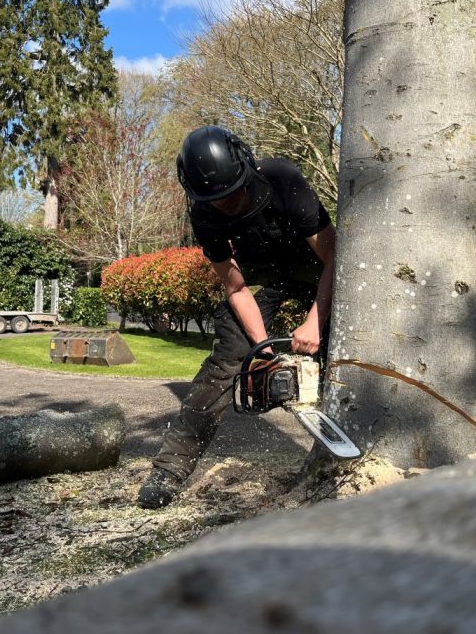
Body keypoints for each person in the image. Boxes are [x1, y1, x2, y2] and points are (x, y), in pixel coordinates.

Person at [137, 126, 336, 509]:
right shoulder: (203, 216)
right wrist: (262, 350)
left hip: (318, 274)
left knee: (340, 344)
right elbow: (236, 288)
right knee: (227, 359)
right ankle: (169, 469)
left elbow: (333, 255)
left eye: (233, 192)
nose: (226, 203)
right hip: (263, 284)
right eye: (216, 198)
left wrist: (314, 322)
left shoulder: (281, 179)